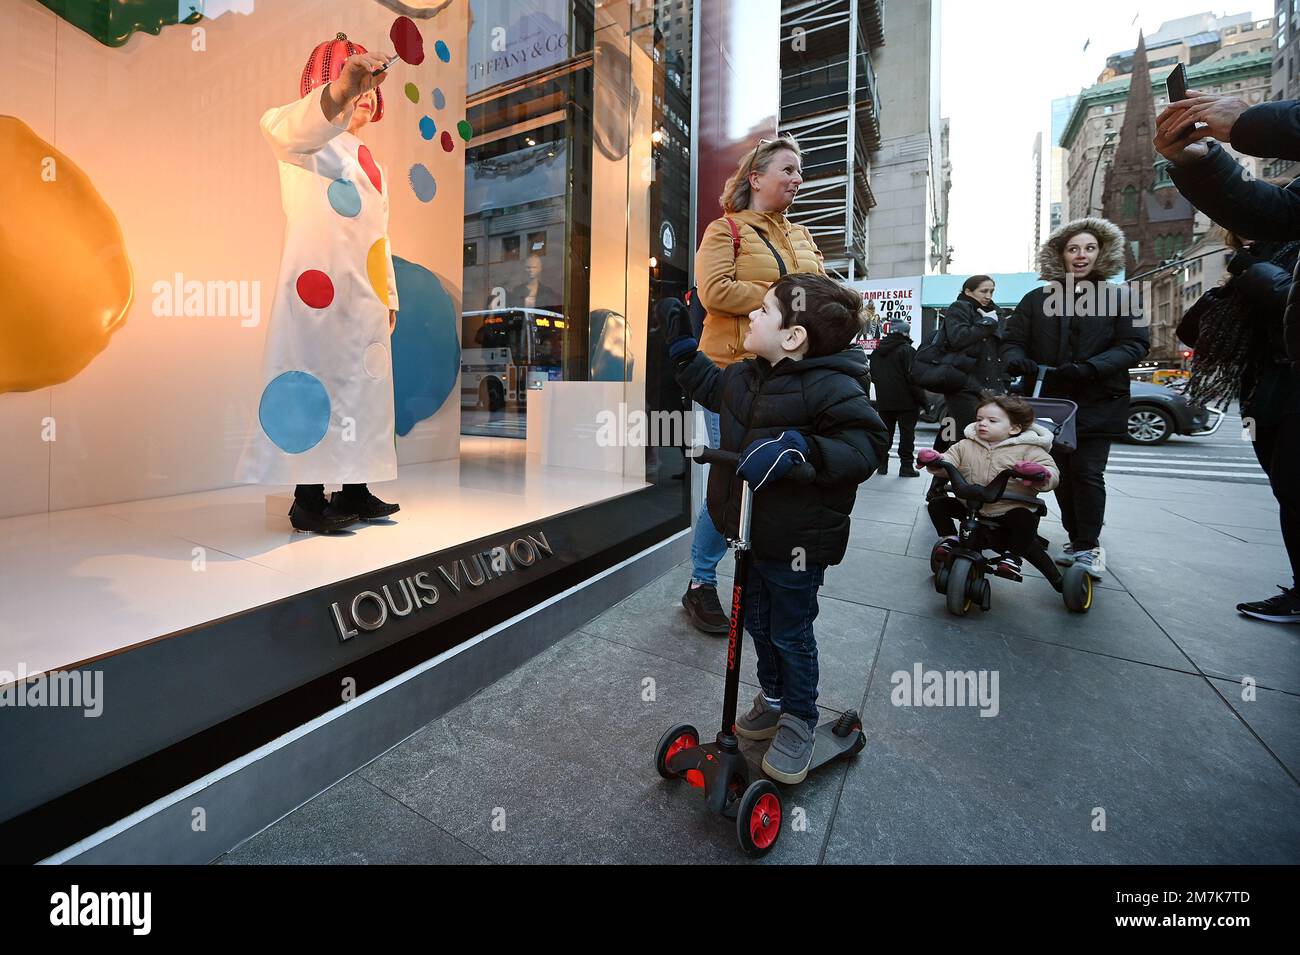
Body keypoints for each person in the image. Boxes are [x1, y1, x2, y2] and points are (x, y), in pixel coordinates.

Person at [663, 273, 886, 783]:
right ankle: (774, 697)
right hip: (749, 533)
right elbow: (714, 388)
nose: (752, 317)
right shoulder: (746, 375)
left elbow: (866, 446)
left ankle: (800, 719)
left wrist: (801, 450)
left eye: (762, 310)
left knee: (790, 631)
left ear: (793, 337)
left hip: (795, 542)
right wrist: (681, 351)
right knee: (756, 623)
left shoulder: (834, 387)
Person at [237, 33, 402, 534]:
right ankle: (307, 499)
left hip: (363, 294)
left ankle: (356, 488)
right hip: (318, 292)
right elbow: (289, 129)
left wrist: (389, 295)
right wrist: (339, 91)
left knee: (364, 391)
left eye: (371, 86)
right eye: (357, 82)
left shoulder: (375, 165)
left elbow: (381, 235)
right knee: (315, 381)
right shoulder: (303, 136)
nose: (366, 94)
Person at [681, 135, 825, 634]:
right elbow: (715, 291)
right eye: (787, 169)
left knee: (765, 479)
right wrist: (786, 297)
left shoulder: (803, 236)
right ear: (755, 177)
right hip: (730, 372)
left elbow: (824, 297)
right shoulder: (726, 231)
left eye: (800, 172)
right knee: (730, 479)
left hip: (789, 375)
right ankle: (701, 582)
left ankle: (751, 568)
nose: (796, 179)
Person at [1001, 217, 1150, 578]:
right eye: (1073, 249)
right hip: (1048, 402)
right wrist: (1015, 359)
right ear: (1061, 255)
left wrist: (1092, 367)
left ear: (1102, 253)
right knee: (1058, 474)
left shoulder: (1122, 296)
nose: (1081, 255)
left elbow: (1136, 344)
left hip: (1098, 399)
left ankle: (1088, 545)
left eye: (1089, 248)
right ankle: (1075, 537)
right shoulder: (1036, 299)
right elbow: (1012, 339)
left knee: (1087, 472)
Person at [921, 392, 1059, 580]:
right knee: (938, 504)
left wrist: (1039, 474)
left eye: (992, 421)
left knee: (1024, 519)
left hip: (1009, 508)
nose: (982, 424)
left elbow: (1051, 471)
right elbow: (950, 459)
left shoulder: (1030, 449)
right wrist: (937, 460)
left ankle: (1012, 557)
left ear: (1014, 428)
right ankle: (950, 538)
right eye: (979, 419)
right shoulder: (966, 445)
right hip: (971, 506)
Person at [935, 275, 1011, 452]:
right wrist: (987, 322)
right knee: (966, 439)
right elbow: (958, 338)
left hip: (993, 384)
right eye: (983, 291)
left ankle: (942, 469)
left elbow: (1002, 346)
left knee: (982, 437)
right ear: (968, 291)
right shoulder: (959, 308)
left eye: (991, 291)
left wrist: (1005, 381)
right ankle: (950, 474)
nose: (988, 296)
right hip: (964, 383)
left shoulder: (996, 312)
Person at [868, 317, 925, 476]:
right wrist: (924, 402)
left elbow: (873, 376)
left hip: (884, 401)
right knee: (907, 435)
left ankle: (882, 465)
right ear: (905, 332)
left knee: (886, 434)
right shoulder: (907, 351)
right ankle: (906, 467)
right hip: (907, 403)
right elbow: (913, 379)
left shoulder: (876, 352)